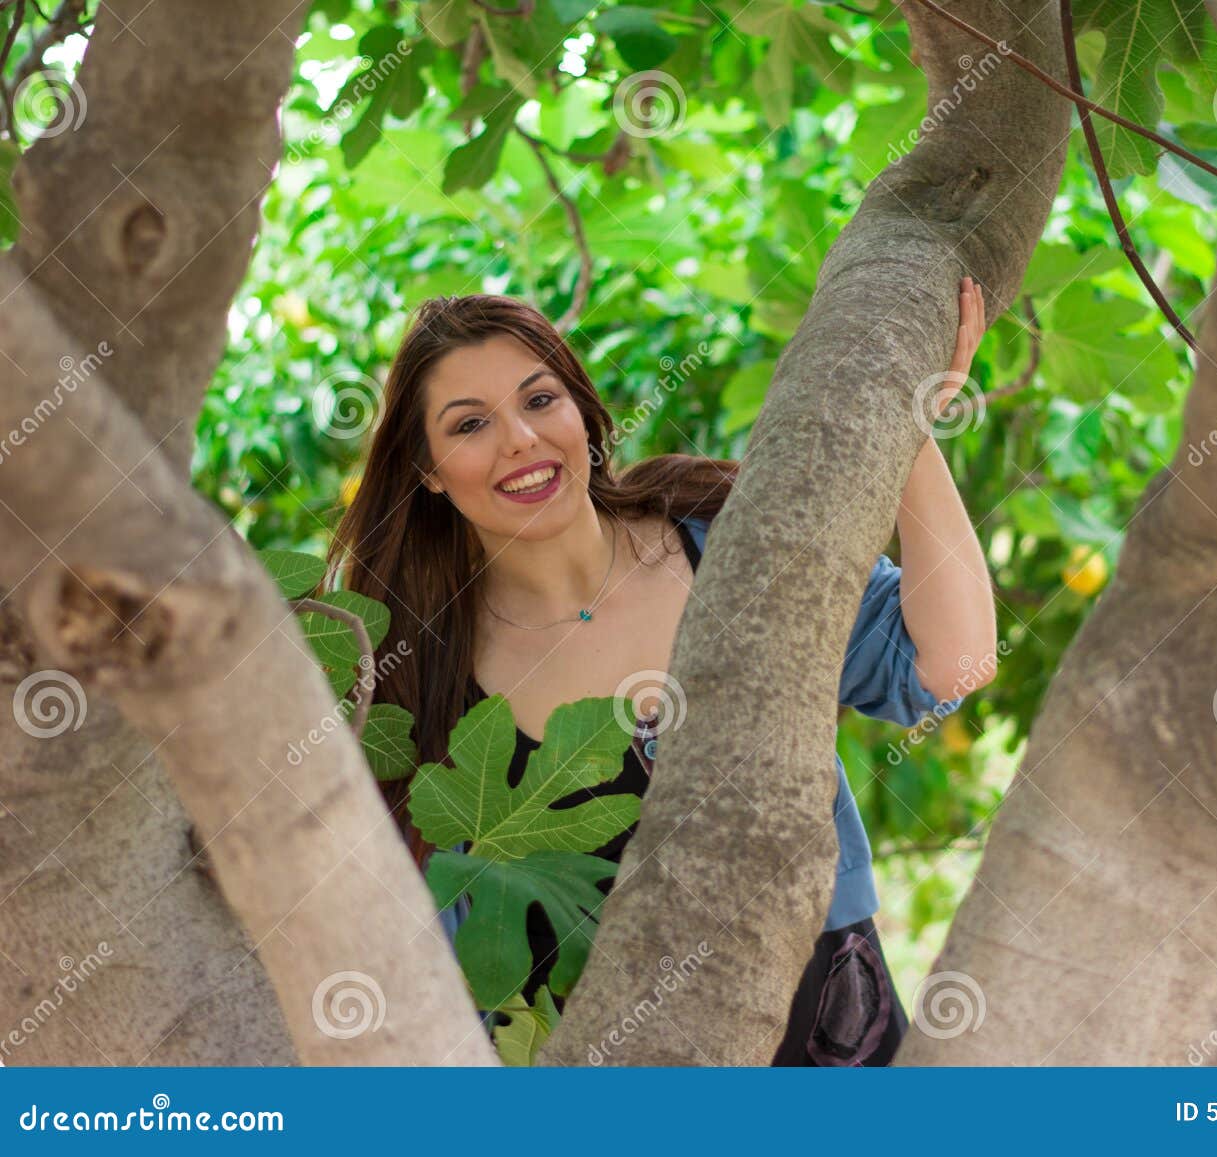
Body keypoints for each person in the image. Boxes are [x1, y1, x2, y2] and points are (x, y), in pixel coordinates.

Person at [324, 277, 997, 1065]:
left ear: (582, 411)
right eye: (470, 424)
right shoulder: (413, 673)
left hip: (827, 1026)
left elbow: (951, 660)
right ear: (428, 470)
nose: (519, 439)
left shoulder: (722, 539)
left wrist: (908, 425)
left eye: (540, 400)